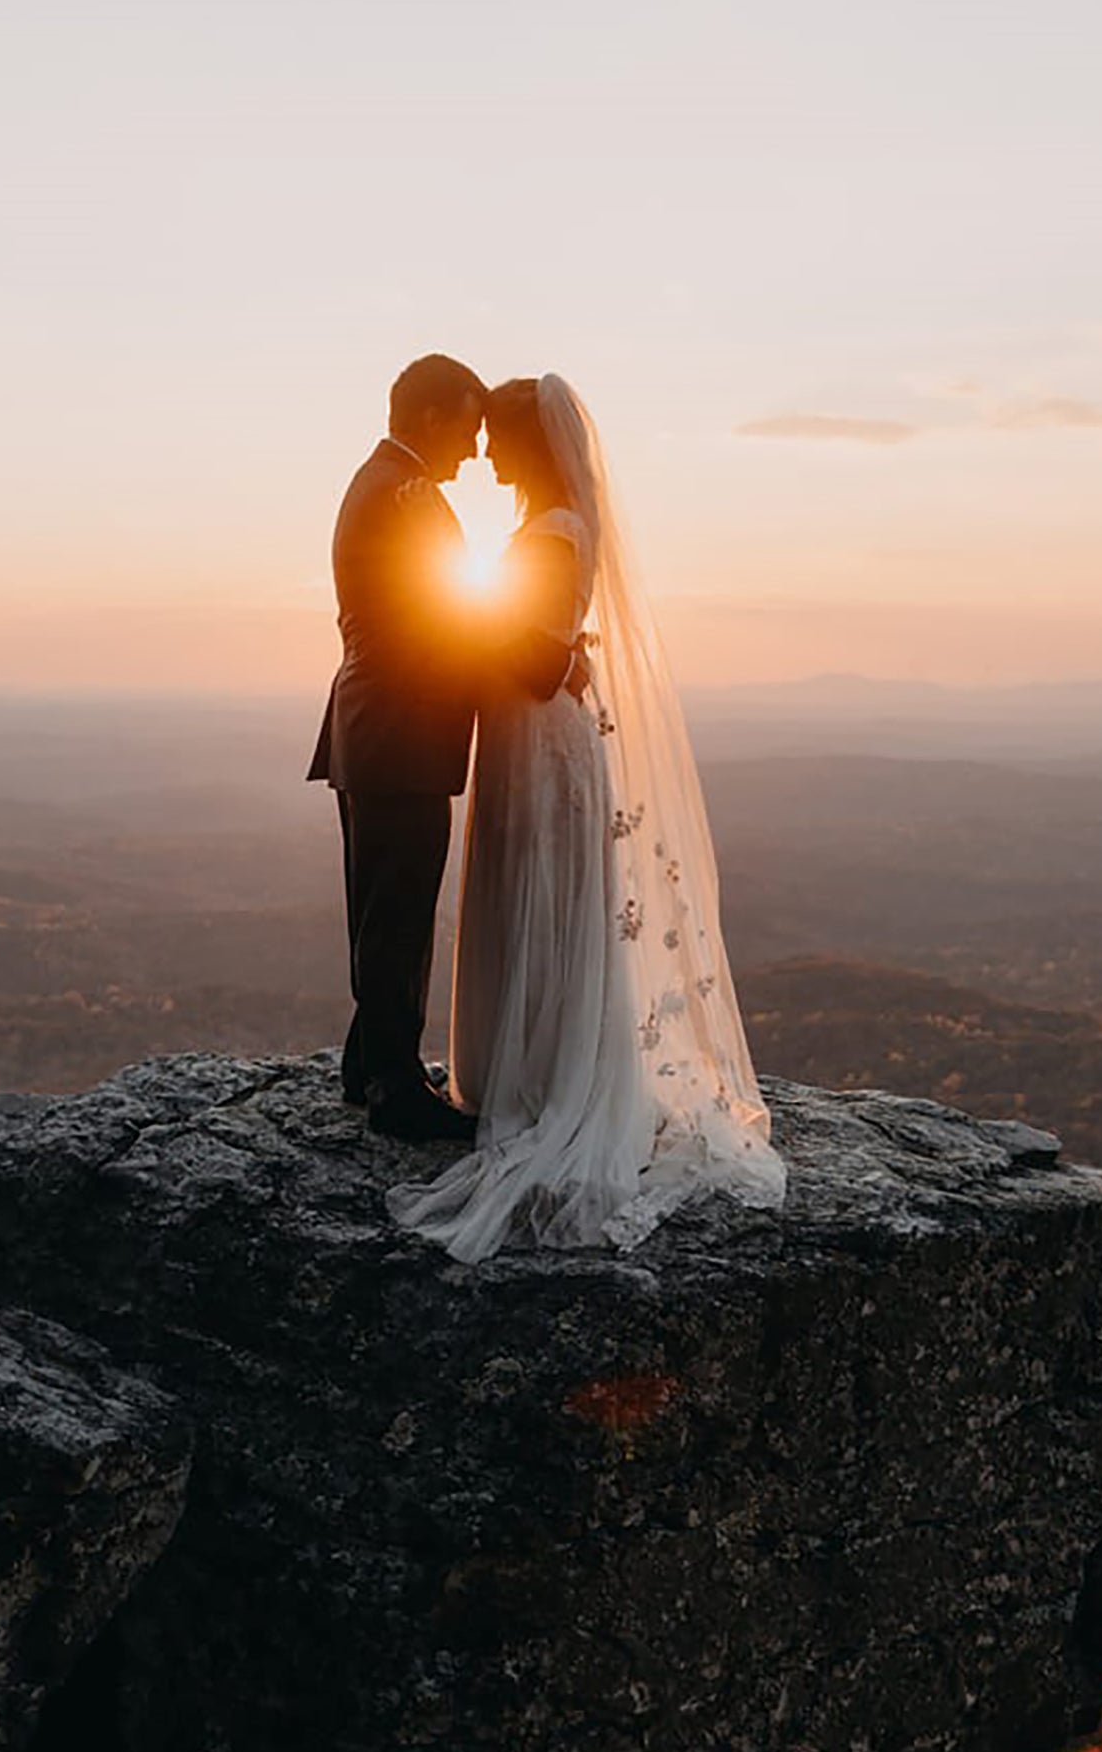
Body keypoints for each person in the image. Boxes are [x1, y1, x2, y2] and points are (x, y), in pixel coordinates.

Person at [389, 374, 787, 1259]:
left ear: (534, 445)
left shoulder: (557, 532)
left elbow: (532, 661)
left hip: (542, 740)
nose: (486, 453)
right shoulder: (549, 528)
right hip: (523, 740)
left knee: (548, 898)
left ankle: (549, 1077)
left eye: (499, 436)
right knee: (526, 891)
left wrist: (442, 628)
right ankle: (522, 1067)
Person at [309, 353, 500, 1143]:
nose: (477, 450)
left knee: (381, 901)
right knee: (399, 908)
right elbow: (436, 624)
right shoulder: (406, 495)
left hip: (375, 727)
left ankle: (369, 1058)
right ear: (429, 417)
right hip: (400, 727)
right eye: (468, 425)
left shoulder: (381, 483)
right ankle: (392, 1089)